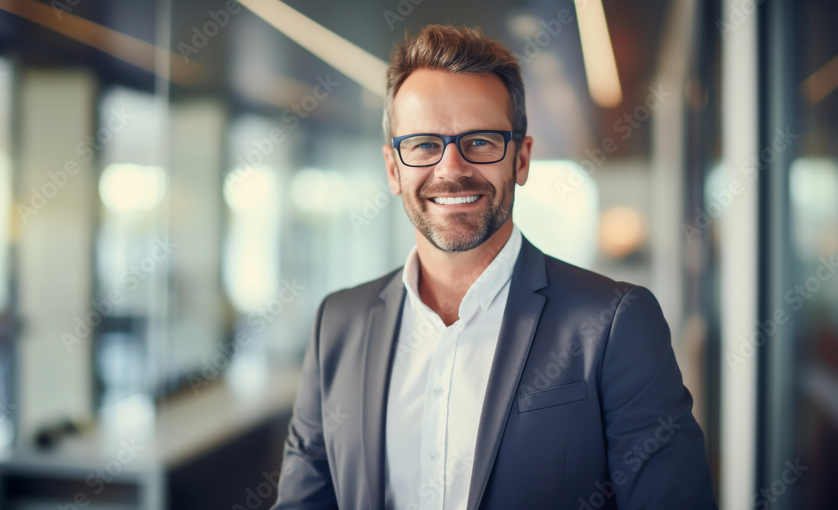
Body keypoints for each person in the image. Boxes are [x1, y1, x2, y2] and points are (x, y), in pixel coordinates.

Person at [271, 24, 717, 510]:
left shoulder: (614, 323)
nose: (451, 168)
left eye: (480, 141)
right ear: (393, 168)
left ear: (521, 160)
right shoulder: (338, 323)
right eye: (423, 144)